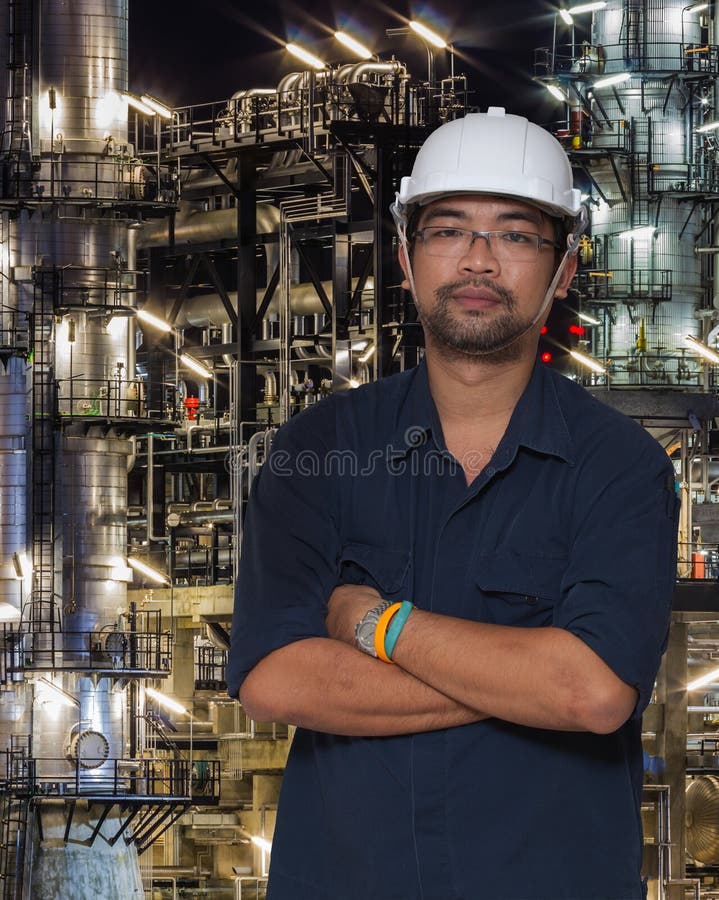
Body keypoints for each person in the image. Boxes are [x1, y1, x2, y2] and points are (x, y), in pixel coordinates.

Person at [228, 108, 679, 900]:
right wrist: (522, 677)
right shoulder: (316, 449)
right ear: (405, 258)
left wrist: (375, 625)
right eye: (448, 231)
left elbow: (592, 693)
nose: (478, 260)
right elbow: (275, 681)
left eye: (515, 234)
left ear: (562, 269)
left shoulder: (619, 465)